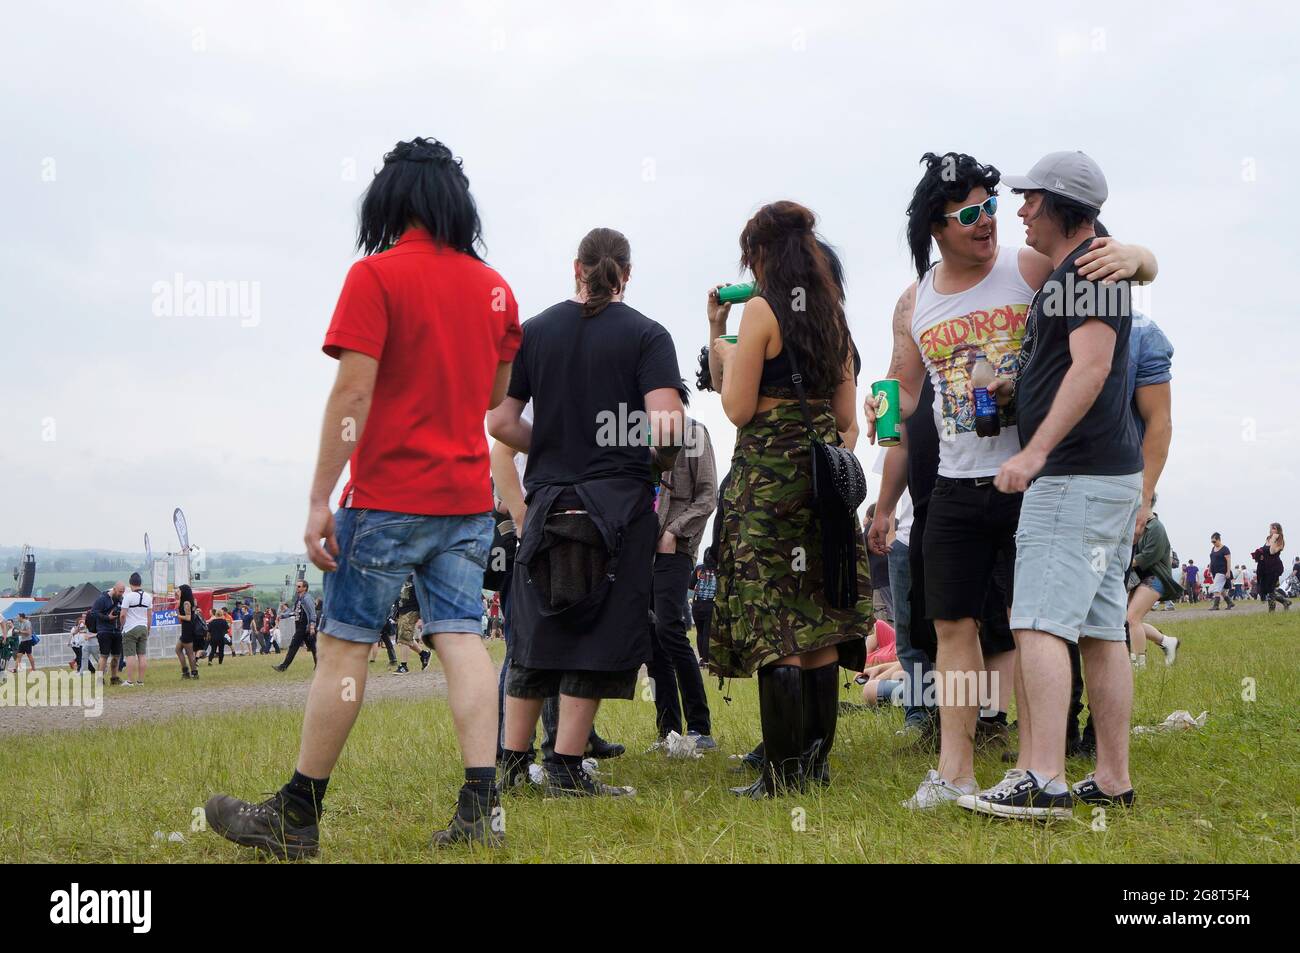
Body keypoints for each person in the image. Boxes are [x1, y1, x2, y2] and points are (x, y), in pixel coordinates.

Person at [207, 136, 521, 857]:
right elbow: (494, 396)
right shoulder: (497, 288)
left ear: (391, 199)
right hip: (466, 498)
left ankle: (297, 814)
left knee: (343, 649)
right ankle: (482, 805)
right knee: (462, 638)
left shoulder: (374, 276)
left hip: (386, 495)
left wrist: (320, 498)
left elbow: (353, 390)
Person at [866, 154, 1155, 809]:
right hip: (955, 485)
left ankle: (1037, 766)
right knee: (953, 630)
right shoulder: (914, 302)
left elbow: (1101, 274)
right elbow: (901, 393)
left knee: (1035, 626)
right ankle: (956, 768)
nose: (990, 220)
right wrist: (881, 475)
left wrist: (1140, 255)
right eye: (970, 213)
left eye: (992, 205)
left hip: (1036, 476)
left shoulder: (1031, 267)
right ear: (934, 226)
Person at [963, 151, 1146, 819]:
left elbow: (1092, 366)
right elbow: (1077, 361)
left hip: (1072, 475)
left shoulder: (1090, 268)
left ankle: (1041, 775)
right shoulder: (1087, 266)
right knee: (1101, 629)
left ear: (1060, 205)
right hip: (1105, 474)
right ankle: (1112, 776)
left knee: (1037, 619)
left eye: (1029, 200)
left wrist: (1036, 451)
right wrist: (1019, 388)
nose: (1019, 210)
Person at [489, 226, 682, 799]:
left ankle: (511, 765)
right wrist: (652, 462)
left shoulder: (535, 332)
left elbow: (498, 423)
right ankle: (567, 767)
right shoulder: (648, 335)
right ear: (628, 273)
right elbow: (667, 425)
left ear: (576, 267)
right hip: (616, 506)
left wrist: (549, 442)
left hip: (547, 500)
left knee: (537, 630)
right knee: (596, 628)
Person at [707, 201, 872, 798]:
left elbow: (737, 408)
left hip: (768, 478)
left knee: (776, 623)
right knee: (821, 621)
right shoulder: (834, 317)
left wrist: (724, 353)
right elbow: (848, 416)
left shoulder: (761, 309)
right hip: (825, 480)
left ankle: (780, 776)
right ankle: (814, 765)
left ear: (762, 254)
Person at [647, 398, 718, 750]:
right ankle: (668, 732)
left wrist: (674, 531)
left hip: (676, 546)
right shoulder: (637, 434)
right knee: (651, 636)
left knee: (669, 627)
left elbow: (708, 496)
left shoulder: (695, 434)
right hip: (640, 548)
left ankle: (700, 727)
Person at [1126, 500, 1182, 666]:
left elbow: (1149, 556)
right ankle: (1166, 641)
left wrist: (1124, 563)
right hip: (1140, 580)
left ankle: (1138, 664)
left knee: (1132, 619)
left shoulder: (1156, 528)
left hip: (1156, 578)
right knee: (1130, 621)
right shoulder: (1137, 527)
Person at [274, 580, 317, 672]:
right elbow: (293, 611)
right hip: (300, 626)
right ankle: (320, 666)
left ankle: (283, 667)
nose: (297, 588)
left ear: (305, 588)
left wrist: (312, 625)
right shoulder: (299, 599)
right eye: (297, 586)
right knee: (313, 647)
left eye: (299, 586)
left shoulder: (307, 598)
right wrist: (282, 615)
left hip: (305, 627)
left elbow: (312, 612)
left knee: (294, 646)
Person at [119, 572, 151, 685]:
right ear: (140, 583)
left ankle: (129, 681)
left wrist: (122, 625)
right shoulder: (148, 597)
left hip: (130, 628)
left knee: (130, 656)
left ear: (130, 583)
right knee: (142, 655)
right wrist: (148, 629)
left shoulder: (128, 597)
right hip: (143, 627)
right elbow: (149, 615)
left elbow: (123, 615)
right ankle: (140, 681)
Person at [91, 581, 125, 685]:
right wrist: (107, 617)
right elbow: (94, 613)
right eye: (120, 591)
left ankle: (114, 678)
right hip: (104, 630)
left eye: (123, 592)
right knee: (104, 656)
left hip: (117, 631)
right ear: (114, 589)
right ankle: (99, 680)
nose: (121, 594)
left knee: (116, 656)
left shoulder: (121, 599)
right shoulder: (102, 599)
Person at [1252, 523, 1291, 612]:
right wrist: (1260, 556)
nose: (1271, 530)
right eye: (1271, 528)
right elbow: (1265, 550)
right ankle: (1285, 601)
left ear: (1278, 530)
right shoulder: (1268, 538)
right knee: (1267, 588)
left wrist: (1273, 539)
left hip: (1274, 567)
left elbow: (1272, 551)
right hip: (1265, 567)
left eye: (1274, 528)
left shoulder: (1280, 541)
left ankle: (1272, 610)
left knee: (1270, 589)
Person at [691, 551, 718, 669]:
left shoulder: (699, 569)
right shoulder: (718, 571)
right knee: (707, 633)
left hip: (697, 604)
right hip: (710, 605)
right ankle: (707, 660)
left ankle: (702, 658)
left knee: (700, 632)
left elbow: (691, 585)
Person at [175, 584, 201, 679]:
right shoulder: (186, 601)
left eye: (179, 590)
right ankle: (186, 671)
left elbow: (188, 617)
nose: (177, 592)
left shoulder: (186, 603)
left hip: (187, 629)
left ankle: (194, 673)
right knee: (178, 650)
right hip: (186, 629)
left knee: (189, 653)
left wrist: (177, 616)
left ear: (184, 591)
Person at [1208, 533, 1235, 610]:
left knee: (1216, 588)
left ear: (1219, 540)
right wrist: (1209, 568)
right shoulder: (1213, 548)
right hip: (1214, 571)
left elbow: (1228, 561)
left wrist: (1228, 572)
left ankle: (1216, 606)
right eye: (1212, 542)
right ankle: (1230, 603)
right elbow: (1212, 559)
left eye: (1214, 541)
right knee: (1222, 590)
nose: (1213, 543)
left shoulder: (1225, 549)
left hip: (1222, 571)